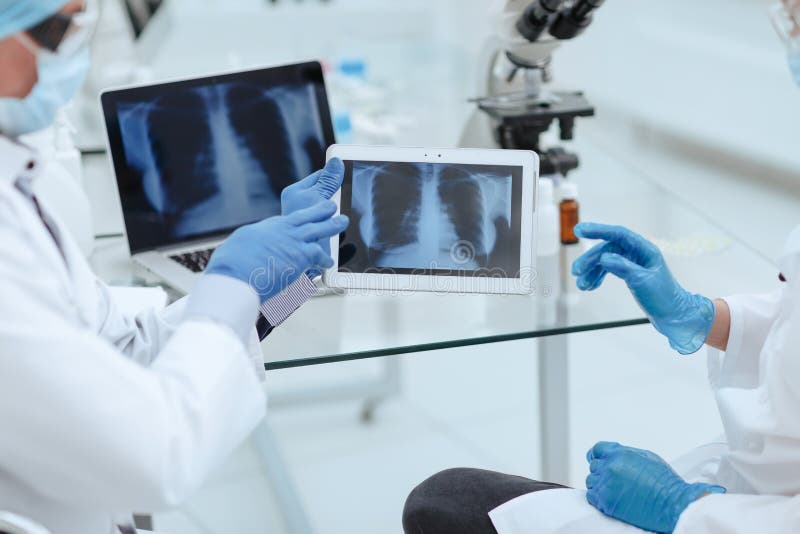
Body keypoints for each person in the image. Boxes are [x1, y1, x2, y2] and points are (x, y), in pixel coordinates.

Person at [403, 4, 800, 533]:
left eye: (795, 24)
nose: (789, 40)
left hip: (744, 518)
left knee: (442, 503)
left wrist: (683, 510)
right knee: (445, 502)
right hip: (756, 486)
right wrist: (707, 316)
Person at [0, 1, 350, 532]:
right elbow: (154, 455)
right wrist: (230, 284)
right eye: (53, 30)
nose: (72, 49)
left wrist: (283, 286)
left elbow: (118, 344)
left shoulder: (19, 181)